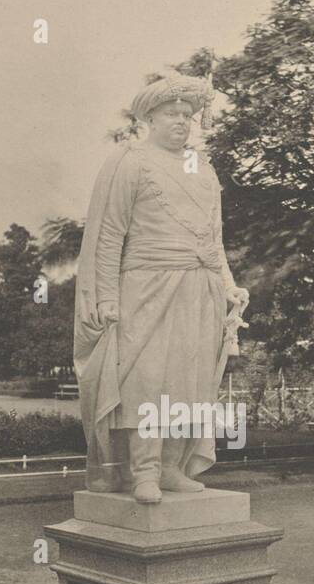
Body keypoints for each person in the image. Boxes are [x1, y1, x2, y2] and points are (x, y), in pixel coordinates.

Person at [73, 69, 248, 503]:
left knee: (188, 382)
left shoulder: (203, 169)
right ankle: (143, 470)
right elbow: (110, 234)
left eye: (187, 114)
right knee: (146, 380)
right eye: (171, 113)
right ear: (149, 117)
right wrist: (108, 299)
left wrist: (229, 285)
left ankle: (171, 467)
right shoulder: (129, 162)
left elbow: (215, 239)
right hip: (146, 286)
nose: (181, 121)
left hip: (200, 289)